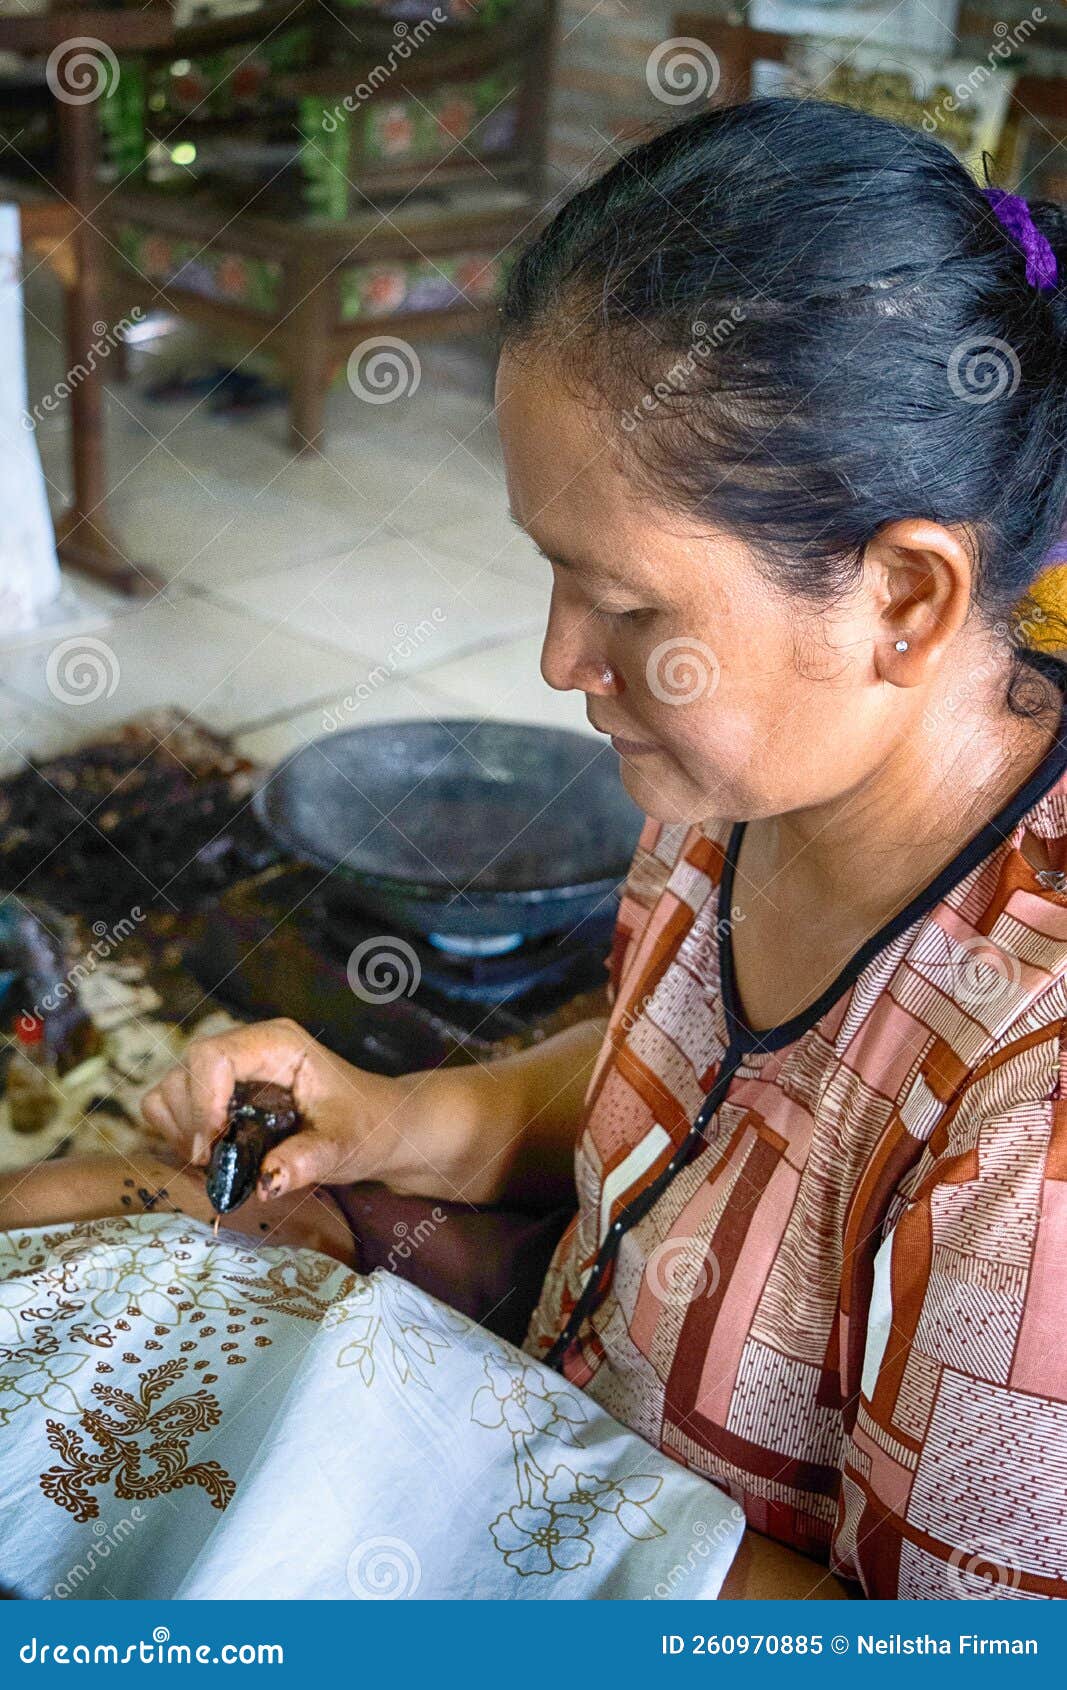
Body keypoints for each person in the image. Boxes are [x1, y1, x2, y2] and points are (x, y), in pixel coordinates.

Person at [4, 96, 1067, 1600]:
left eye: (629, 608)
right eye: (553, 575)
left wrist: (457, 1454)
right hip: (555, 1411)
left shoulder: (1035, 1138)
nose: (564, 659)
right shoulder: (742, 781)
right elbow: (684, 1074)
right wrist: (399, 1119)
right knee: (67, 1217)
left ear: (903, 599)